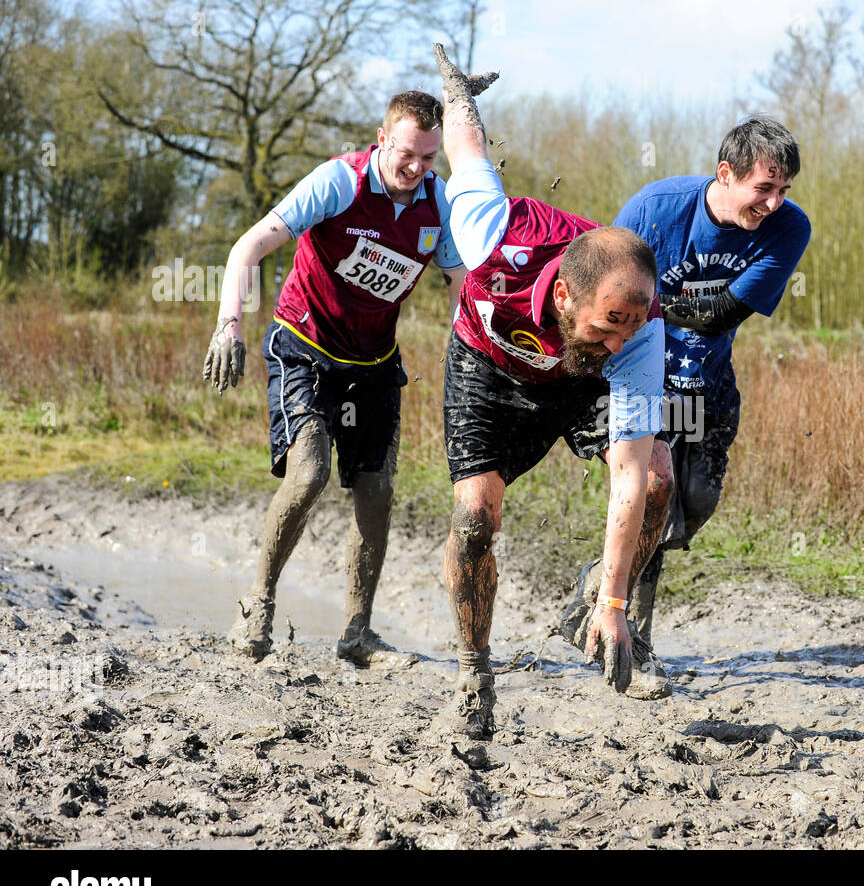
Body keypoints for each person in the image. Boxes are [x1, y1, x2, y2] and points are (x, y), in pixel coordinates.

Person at [202, 83, 494, 668]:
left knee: (378, 493)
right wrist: (228, 324)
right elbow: (247, 248)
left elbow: (467, 289)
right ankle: (257, 603)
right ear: (382, 140)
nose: (415, 167)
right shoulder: (339, 182)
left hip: (375, 364)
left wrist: (491, 353)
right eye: (406, 153)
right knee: (308, 473)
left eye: (429, 157)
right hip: (304, 349)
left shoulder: (439, 205)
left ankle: (357, 634)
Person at [433, 45, 674, 739]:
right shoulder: (492, 236)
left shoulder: (638, 337)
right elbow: (467, 148)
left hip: (575, 380)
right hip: (487, 369)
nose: (623, 338)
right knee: (476, 517)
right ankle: (473, 670)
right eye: (609, 323)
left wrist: (615, 599)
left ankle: (585, 611)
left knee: (660, 480)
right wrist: (457, 92)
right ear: (564, 295)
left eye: (634, 324)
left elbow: (628, 477)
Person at [562, 115, 811, 679]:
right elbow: (600, 287)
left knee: (693, 505)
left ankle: (598, 580)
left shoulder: (788, 229)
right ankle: (632, 643)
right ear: (726, 173)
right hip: (640, 378)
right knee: (655, 495)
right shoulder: (657, 208)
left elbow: (722, 314)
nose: (773, 204)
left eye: (783, 191)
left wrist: (656, 308)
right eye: (763, 188)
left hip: (707, 379)